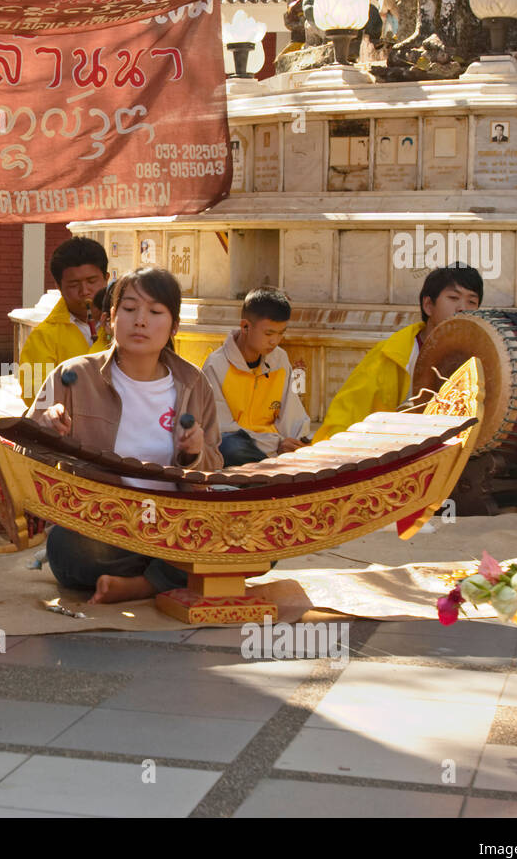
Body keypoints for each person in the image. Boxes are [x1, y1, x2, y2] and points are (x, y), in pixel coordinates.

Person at [28, 267, 222, 605]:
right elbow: (24, 452)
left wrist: (195, 453)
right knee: (67, 547)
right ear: (110, 318)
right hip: (105, 525)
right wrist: (45, 429)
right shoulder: (73, 375)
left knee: (254, 528)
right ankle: (175, 572)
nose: (141, 321)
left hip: (173, 522)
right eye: (129, 309)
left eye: (155, 311)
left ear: (173, 325)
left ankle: (142, 584)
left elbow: (212, 468)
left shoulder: (194, 384)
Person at [314, 263, 483, 443]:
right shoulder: (393, 355)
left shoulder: (481, 356)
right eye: (453, 297)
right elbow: (348, 413)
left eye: (471, 302)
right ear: (428, 305)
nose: (462, 308)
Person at [201, 287, 311, 466]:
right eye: (269, 333)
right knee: (231, 446)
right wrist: (276, 445)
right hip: (240, 449)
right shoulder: (216, 366)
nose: (274, 341)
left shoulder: (280, 359)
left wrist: (294, 442)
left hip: (275, 449)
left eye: (281, 333)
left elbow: (294, 413)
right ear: (245, 326)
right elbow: (221, 429)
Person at [18, 236, 110, 404]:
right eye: (74, 285)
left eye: (92, 281)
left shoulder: (126, 324)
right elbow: (34, 394)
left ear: (106, 278)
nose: (85, 291)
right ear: (59, 287)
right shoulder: (44, 336)